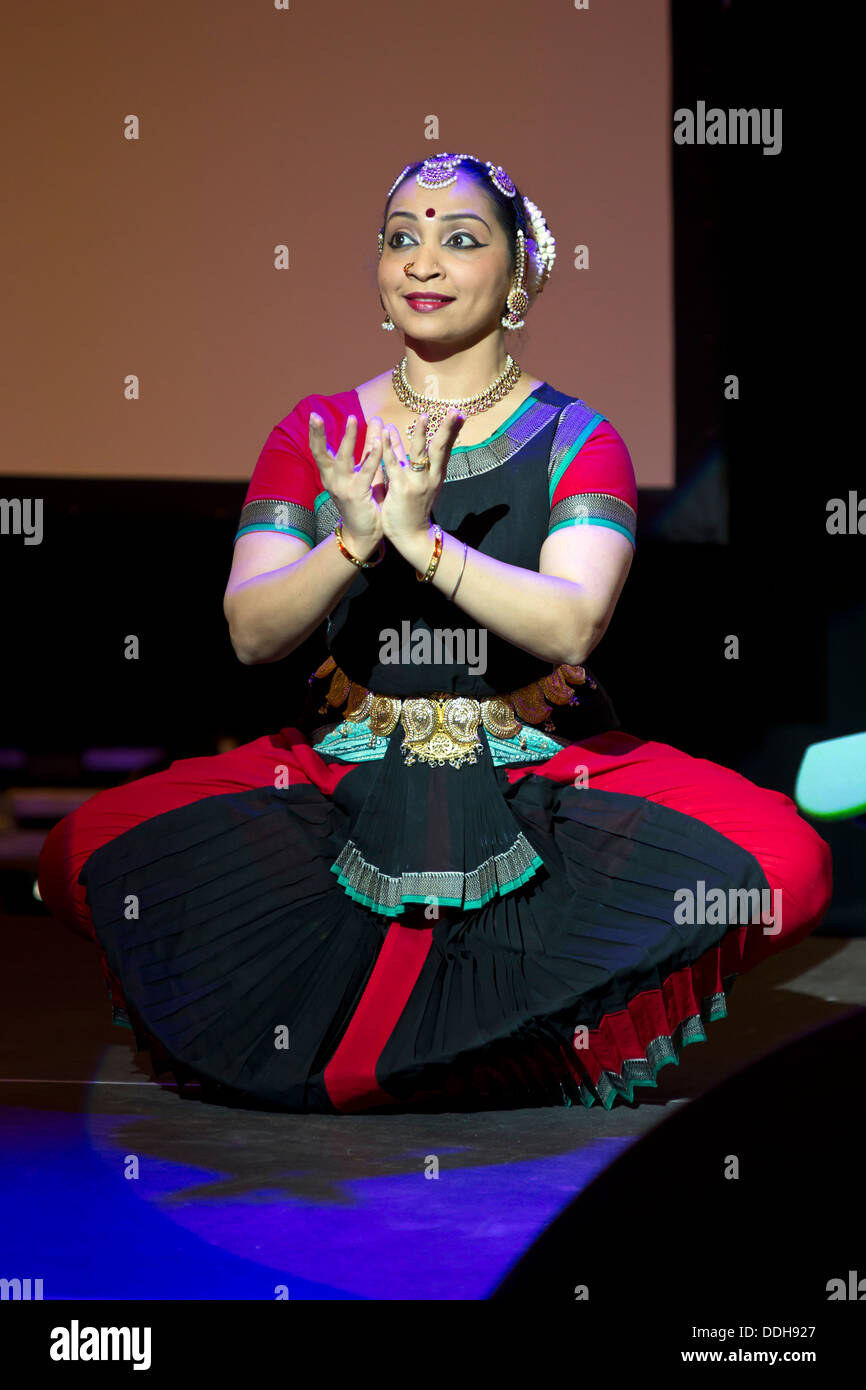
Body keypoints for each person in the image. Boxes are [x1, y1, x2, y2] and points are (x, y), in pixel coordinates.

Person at [37, 152, 833, 1114]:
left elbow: (573, 623)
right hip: (344, 766)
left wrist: (422, 540)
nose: (423, 262)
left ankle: (516, 1047)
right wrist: (356, 543)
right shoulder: (318, 432)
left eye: (460, 240)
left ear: (518, 276)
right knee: (81, 851)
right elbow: (253, 633)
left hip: (537, 765)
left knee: (786, 866)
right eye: (401, 240)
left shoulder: (579, 436)